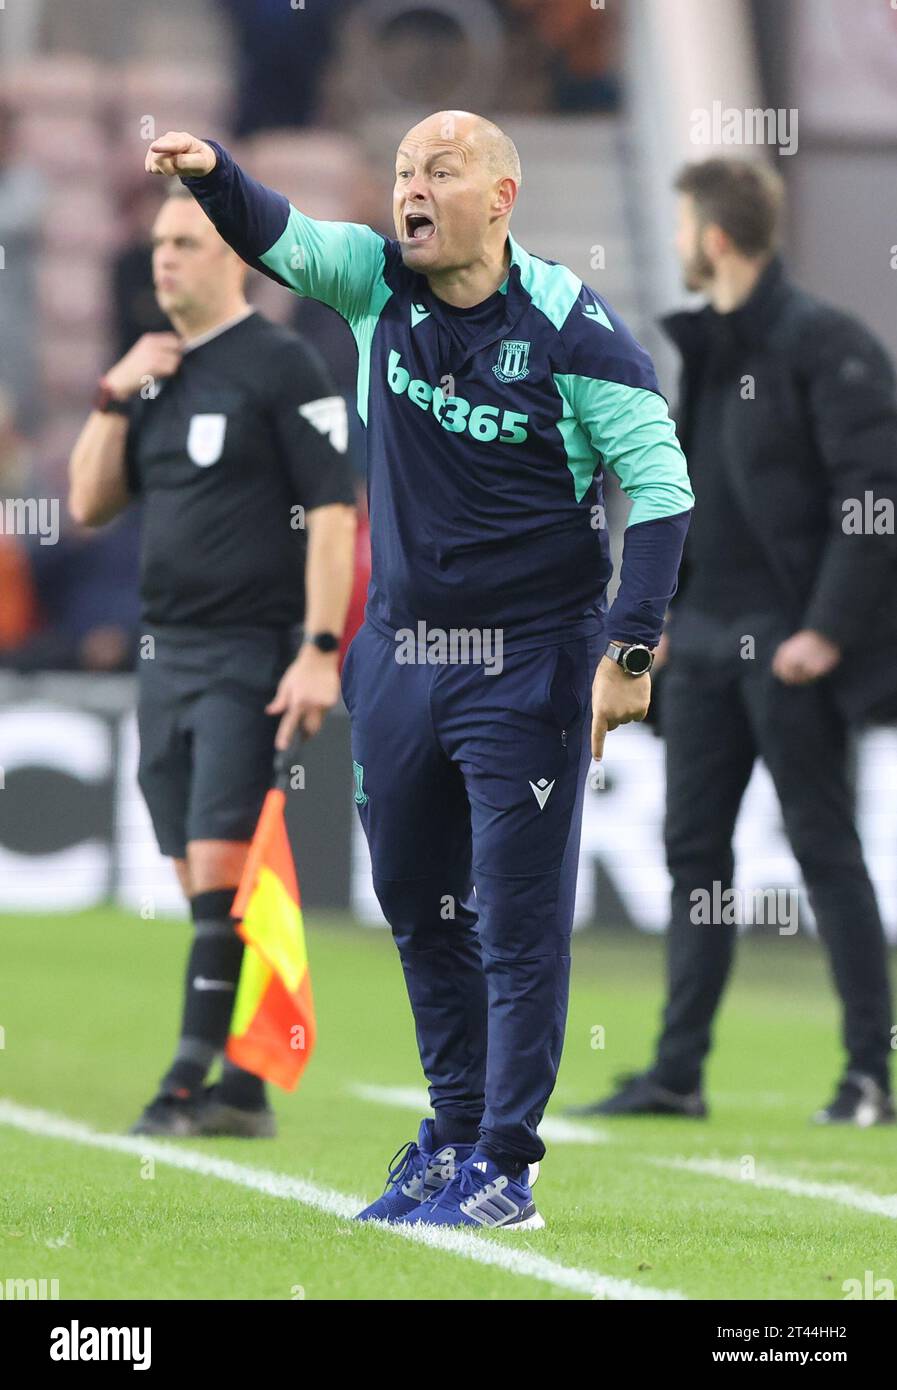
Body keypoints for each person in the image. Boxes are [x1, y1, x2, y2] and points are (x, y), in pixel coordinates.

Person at [146, 112, 693, 1226]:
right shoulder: (371, 283)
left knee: (516, 914)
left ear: (500, 197)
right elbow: (280, 236)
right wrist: (213, 175)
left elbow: (665, 490)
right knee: (414, 900)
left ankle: (507, 1161)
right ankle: (449, 1133)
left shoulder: (578, 336)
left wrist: (630, 651)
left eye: (440, 171)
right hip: (397, 651)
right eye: (403, 170)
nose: (413, 188)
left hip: (528, 663)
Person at [572, 158, 897, 1127]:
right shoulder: (708, 354)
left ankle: (869, 1074)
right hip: (709, 645)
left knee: (823, 849)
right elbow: (690, 500)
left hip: (789, 650)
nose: (676, 244)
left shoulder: (828, 345)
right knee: (693, 856)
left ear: (714, 239)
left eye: (682, 227)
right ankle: (677, 1072)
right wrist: (664, 617)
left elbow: (874, 500)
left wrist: (828, 631)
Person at [68, 185, 357, 1138]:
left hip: (248, 649)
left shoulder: (282, 365)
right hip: (165, 652)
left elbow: (331, 513)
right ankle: (246, 1083)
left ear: (233, 254)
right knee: (199, 867)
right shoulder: (153, 374)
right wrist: (112, 396)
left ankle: (189, 1073)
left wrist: (319, 650)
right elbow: (89, 505)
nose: (164, 260)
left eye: (185, 242)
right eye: (157, 244)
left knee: (223, 856)